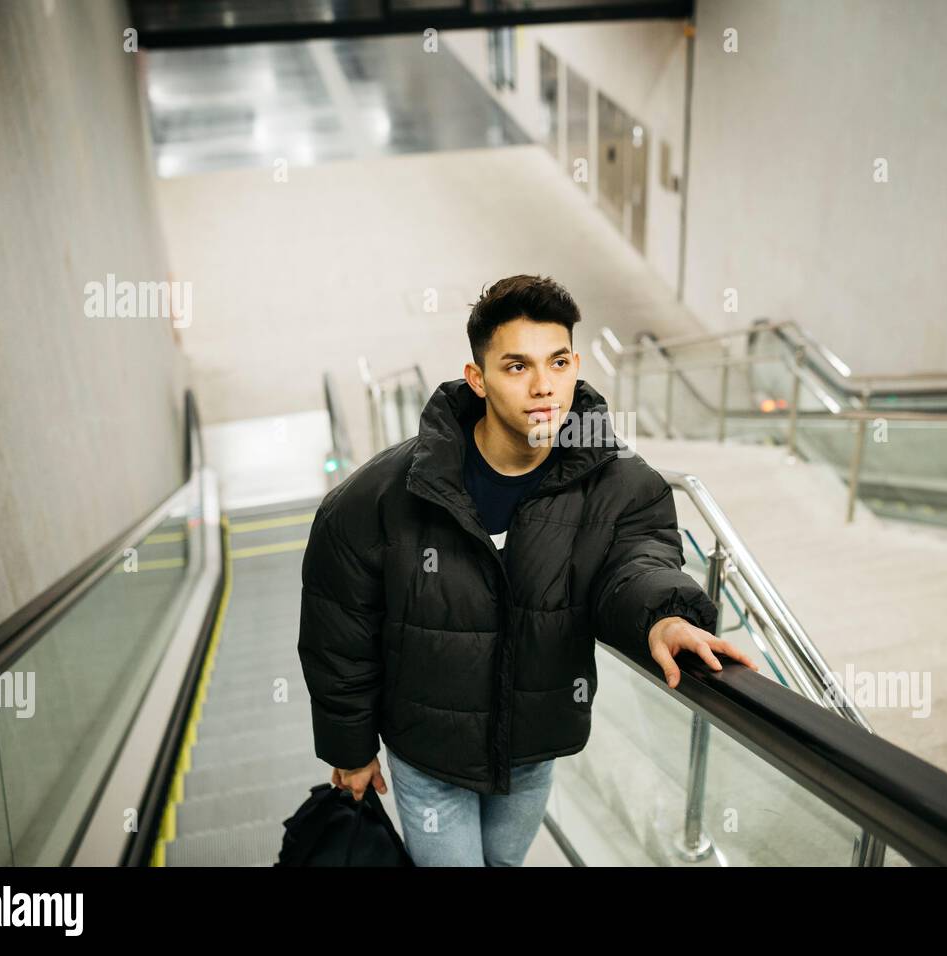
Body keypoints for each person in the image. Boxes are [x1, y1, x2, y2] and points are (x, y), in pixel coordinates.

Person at [297, 274, 758, 866]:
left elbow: (638, 561)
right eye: (517, 367)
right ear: (478, 379)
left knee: (504, 865)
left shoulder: (617, 482)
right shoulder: (380, 498)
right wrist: (351, 746)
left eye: (558, 362)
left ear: (576, 364)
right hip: (428, 752)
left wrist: (664, 616)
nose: (545, 387)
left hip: (534, 744)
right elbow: (340, 629)